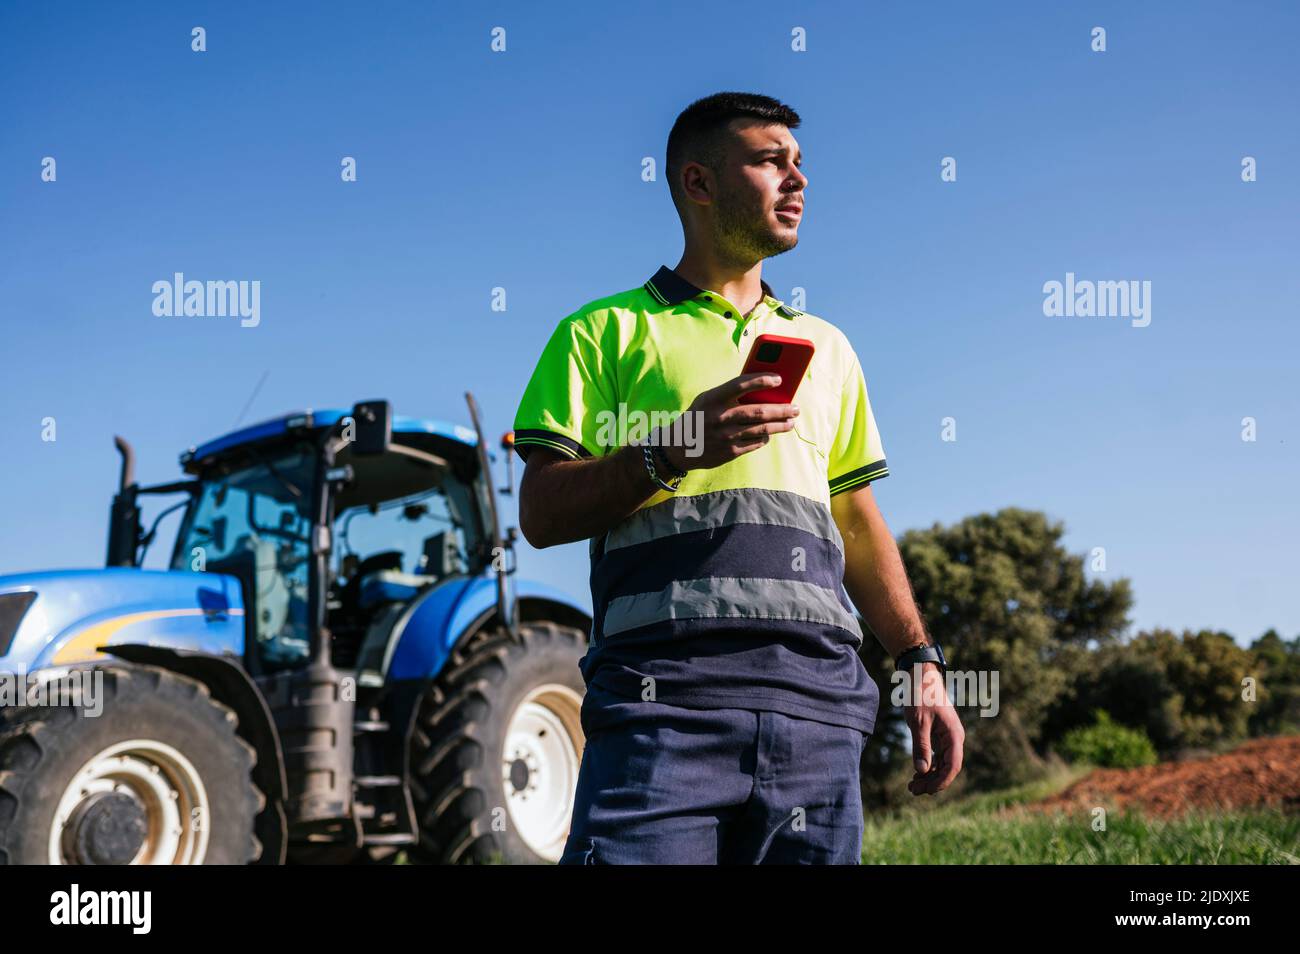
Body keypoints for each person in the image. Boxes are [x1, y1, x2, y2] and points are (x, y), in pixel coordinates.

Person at [512, 91, 964, 864]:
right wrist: (672, 449)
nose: (798, 180)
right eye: (770, 161)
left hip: (820, 713)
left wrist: (920, 660)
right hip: (663, 710)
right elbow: (542, 511)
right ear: (699, 183)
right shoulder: (601, 333)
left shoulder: (826, 347)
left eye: (800, 164)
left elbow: (856, 520)